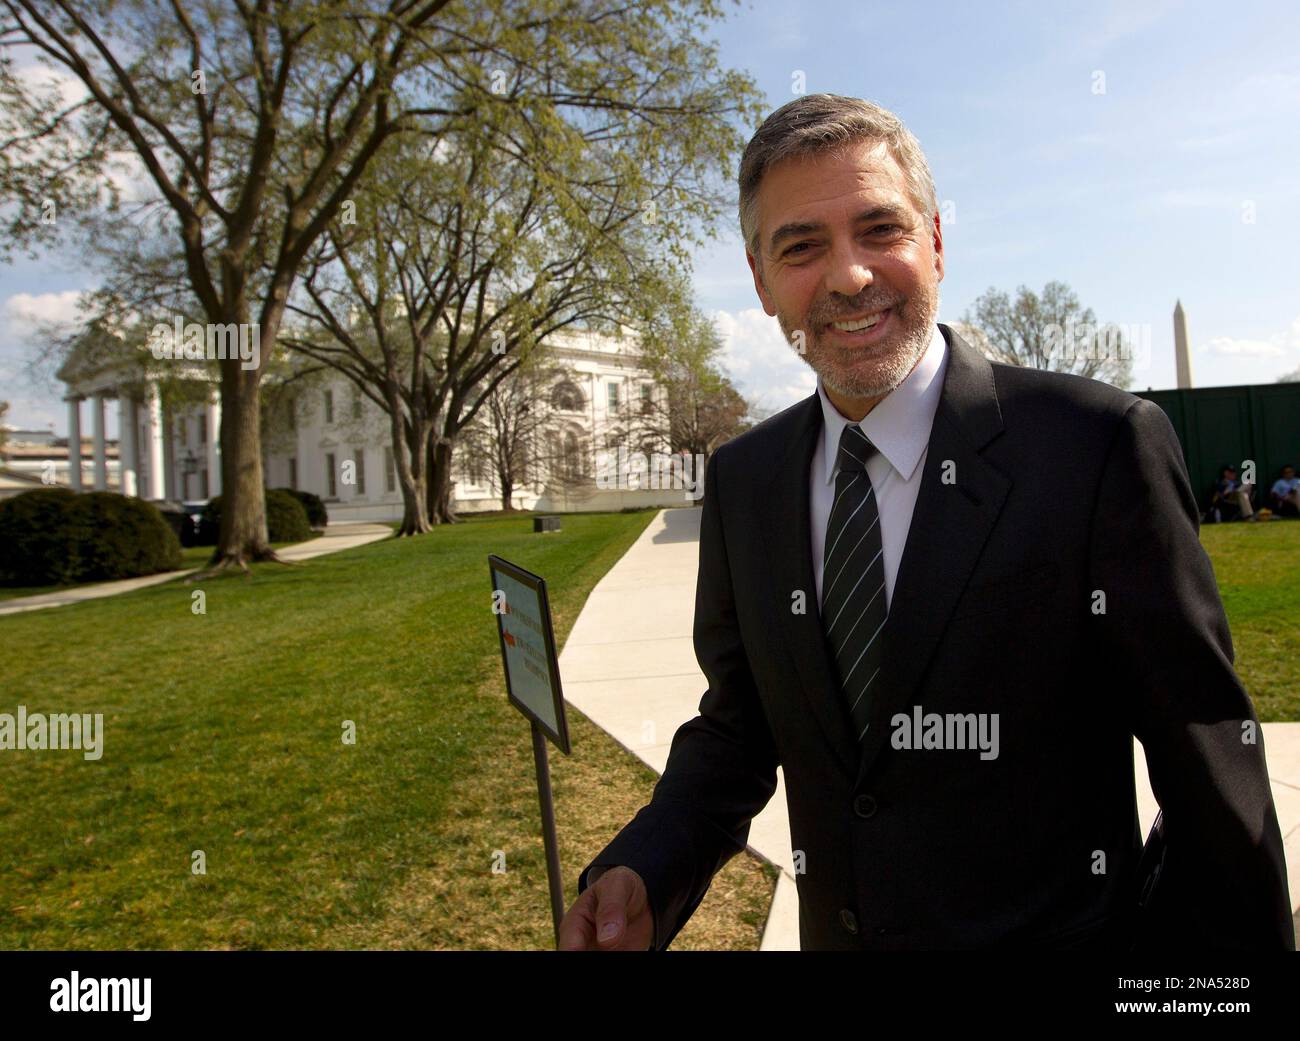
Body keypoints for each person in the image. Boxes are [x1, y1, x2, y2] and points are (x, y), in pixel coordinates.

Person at [557, 94, 1293, 951]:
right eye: (802, 246)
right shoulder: (744, 482)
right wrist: (646, 866)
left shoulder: (1097, 450)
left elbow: (1211, 775)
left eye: (880, 229)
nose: (849, 276)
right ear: (760, 279)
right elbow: (740, 728)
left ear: (935, 240)